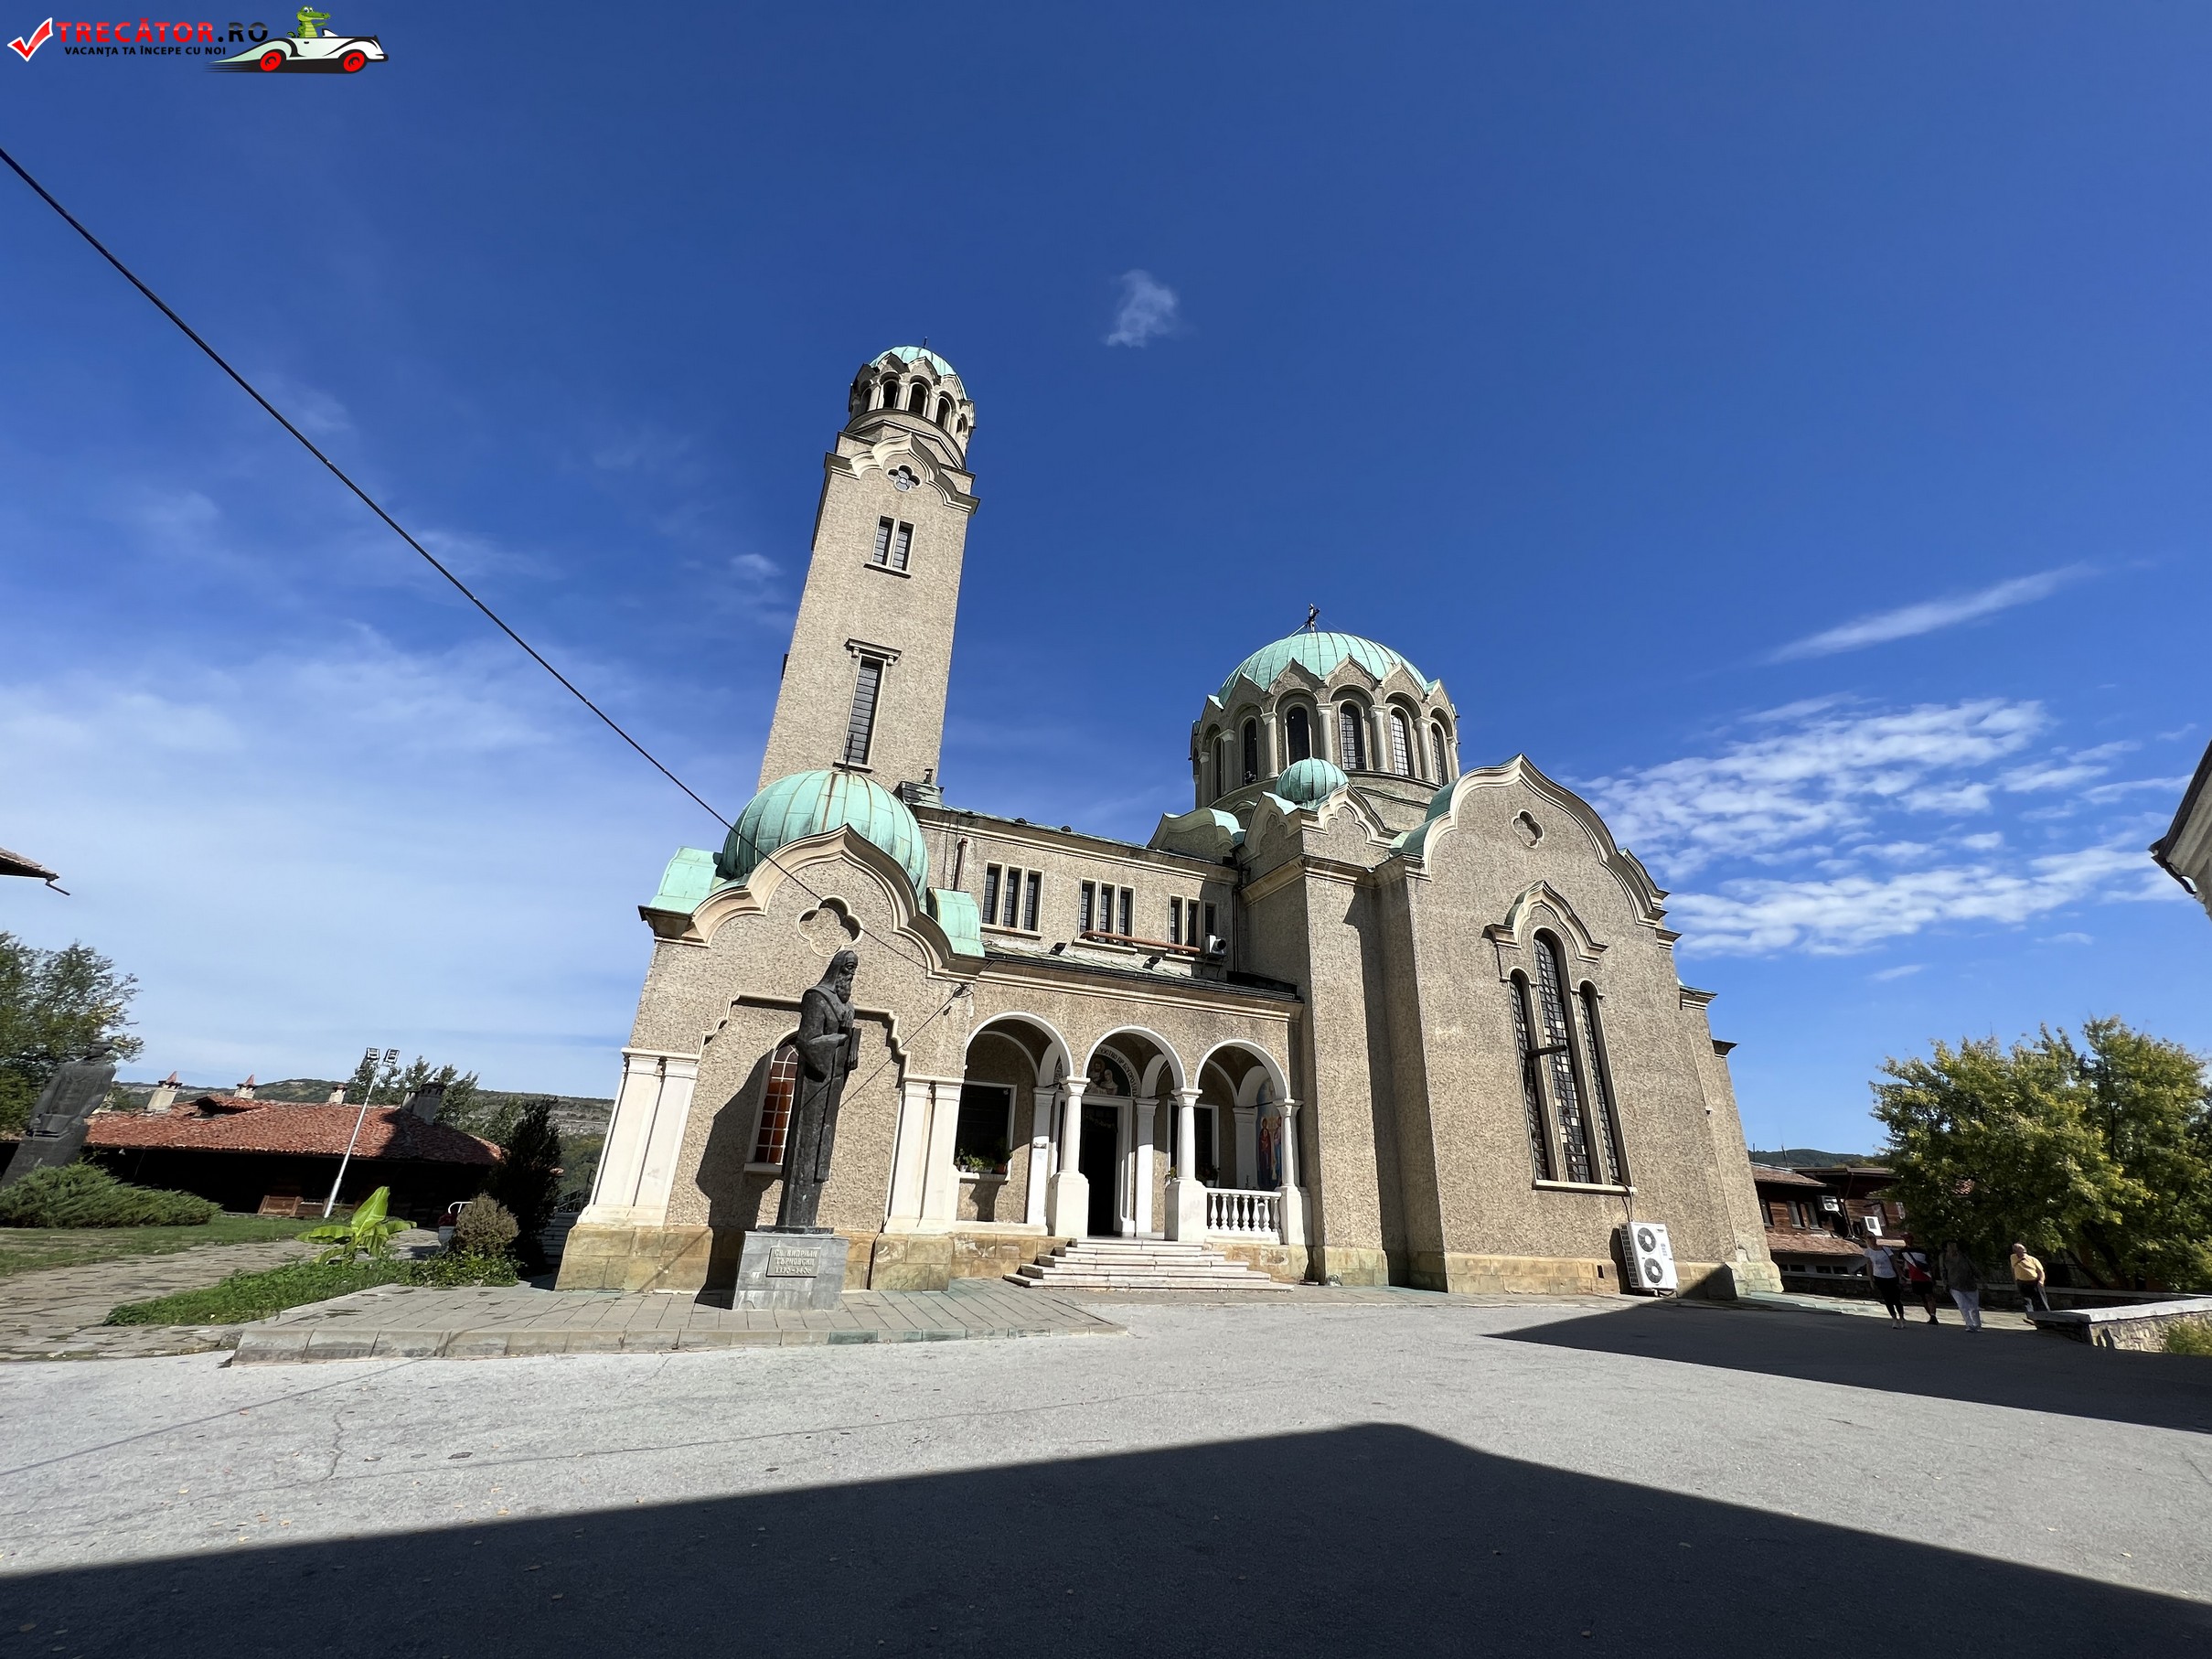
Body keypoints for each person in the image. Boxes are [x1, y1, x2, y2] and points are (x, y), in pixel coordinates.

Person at [1942, 1242, 1984, 1331]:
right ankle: (1969, 1324)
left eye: (1954, 1247)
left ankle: (1977, 1324)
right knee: (1962, 1305)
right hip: (1954, 1285)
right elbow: (1943, 1271)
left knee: (1974, 1307)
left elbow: (1972, 1267)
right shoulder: (1943, 1258)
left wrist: (1981, 1278)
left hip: (1969, 1284)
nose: (1953, 1249)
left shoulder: (1963, 1256)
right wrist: (1945, 1283)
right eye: (1950, 1247)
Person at [1864, 1241, 1906, 1325]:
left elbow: (1894, 1262)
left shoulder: (1885, 1249)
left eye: (1872, 1237)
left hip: (1891, 1276)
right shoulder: (1868, 1252)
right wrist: (1871, 1279)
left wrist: (1901, 1275)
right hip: (1879, 1277)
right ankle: (1894, 1318)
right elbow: (1869, 1266)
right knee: (1887, 1298)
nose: (1872, 1239)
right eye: (1869, 1238)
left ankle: (1901, 1317)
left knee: (1896, 1298)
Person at [1901, 1247, 1941, 1323]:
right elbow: (1901, 1264)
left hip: (1925, 1277)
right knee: (1923, 1298)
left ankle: (1933, 1315)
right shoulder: (1903, 1251)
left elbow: (1930, 1265)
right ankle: (1932, 1316)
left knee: (1928, 1296)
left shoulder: (1923, 1251)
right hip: (1915, 1278)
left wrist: (1932, 1277)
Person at [2010, 1242, 2051, 1314]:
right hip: (2022, 1282)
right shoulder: (2013, 1257)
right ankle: (2031, 1316)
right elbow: (2014, 1266)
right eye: (2015, 1249)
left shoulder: (2033, 1259)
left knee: (2041, 1301)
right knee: (2026, 1301)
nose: (2017, 1250)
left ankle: (2046, 1316)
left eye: (2019, 1248)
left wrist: (2041, 1281)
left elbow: (2040, 1272)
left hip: (2034, 1282)